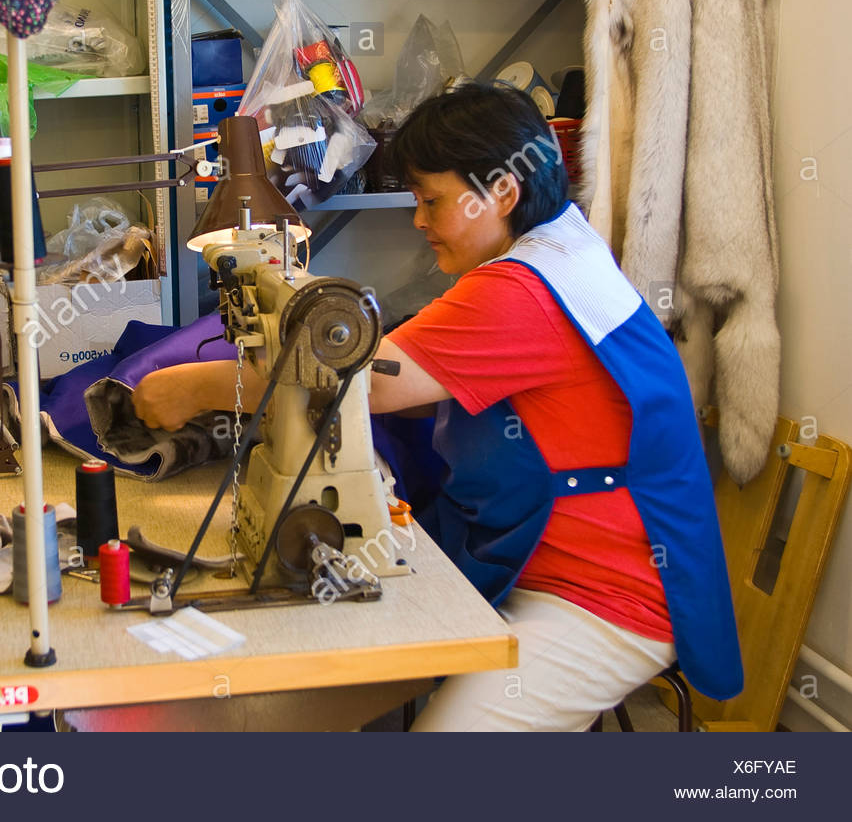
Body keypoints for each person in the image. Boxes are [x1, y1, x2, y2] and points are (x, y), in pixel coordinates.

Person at [132, 83, 742, 730]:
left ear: (502, 192)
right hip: (532, 553)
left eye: (433, 201)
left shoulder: (521, 291)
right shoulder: (563, 250)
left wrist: (195, 386)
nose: (418, 221)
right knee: (328, 684)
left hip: (605, 597)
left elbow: (357, 381)